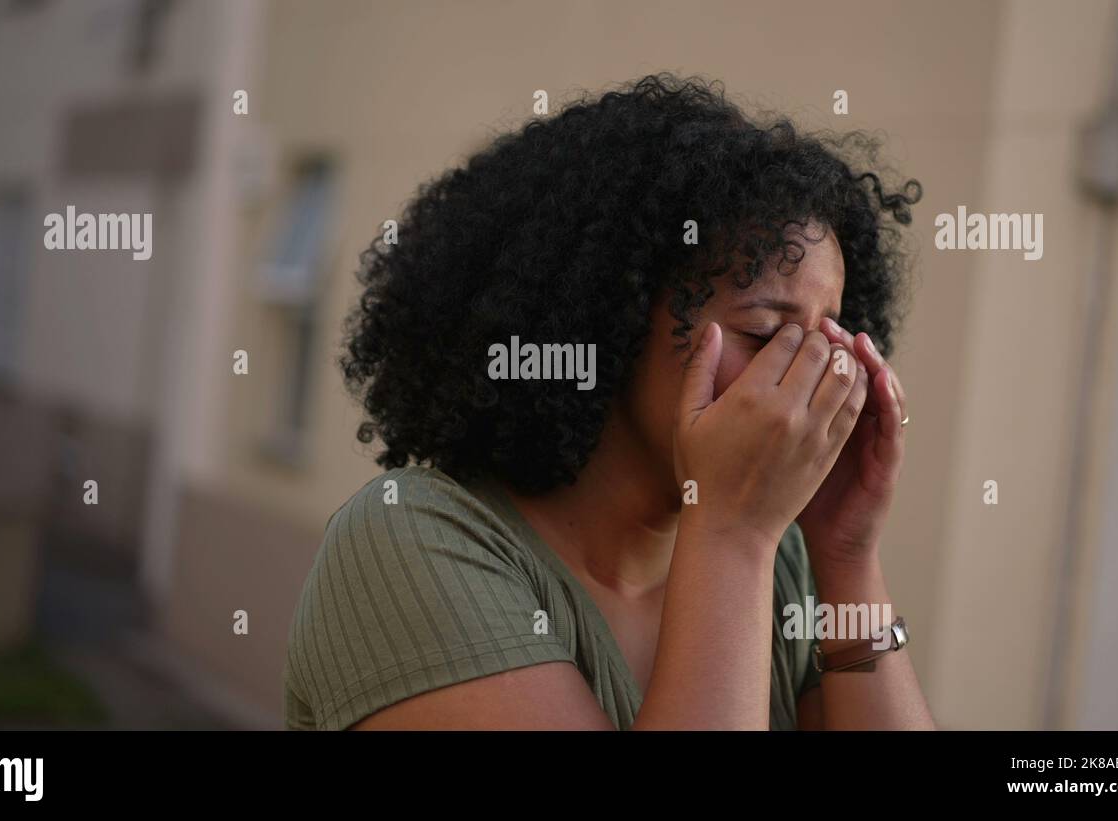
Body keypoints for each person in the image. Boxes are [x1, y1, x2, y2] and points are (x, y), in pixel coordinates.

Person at [285, 73, 935, 730]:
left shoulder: (785, 557)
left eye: (832, 333)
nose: (819, 369)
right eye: (764, 331)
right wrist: (732, 534)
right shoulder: (409, 542)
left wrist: (846, 552)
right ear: (608, 323)